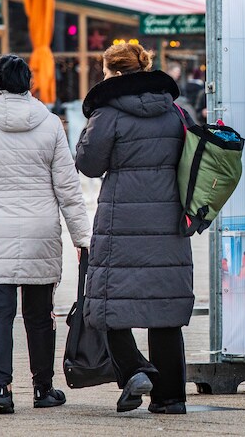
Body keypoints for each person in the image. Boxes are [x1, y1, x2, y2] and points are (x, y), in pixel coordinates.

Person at [0, 54, 91, 414]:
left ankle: (2, 390)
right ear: (29, 84)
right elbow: (68, 189)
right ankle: (43, 389)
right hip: (41, 232)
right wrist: (82, 238)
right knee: (40, 316)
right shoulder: (51, 124)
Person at [76, 42, 192, 415]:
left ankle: (135, 369)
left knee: (105, 302)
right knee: (165, 308)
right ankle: (170, 398)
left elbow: (89, 164)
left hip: (121, 219)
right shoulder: (175, 111)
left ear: (113, 72)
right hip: (168, 219)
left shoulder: (108, 112)